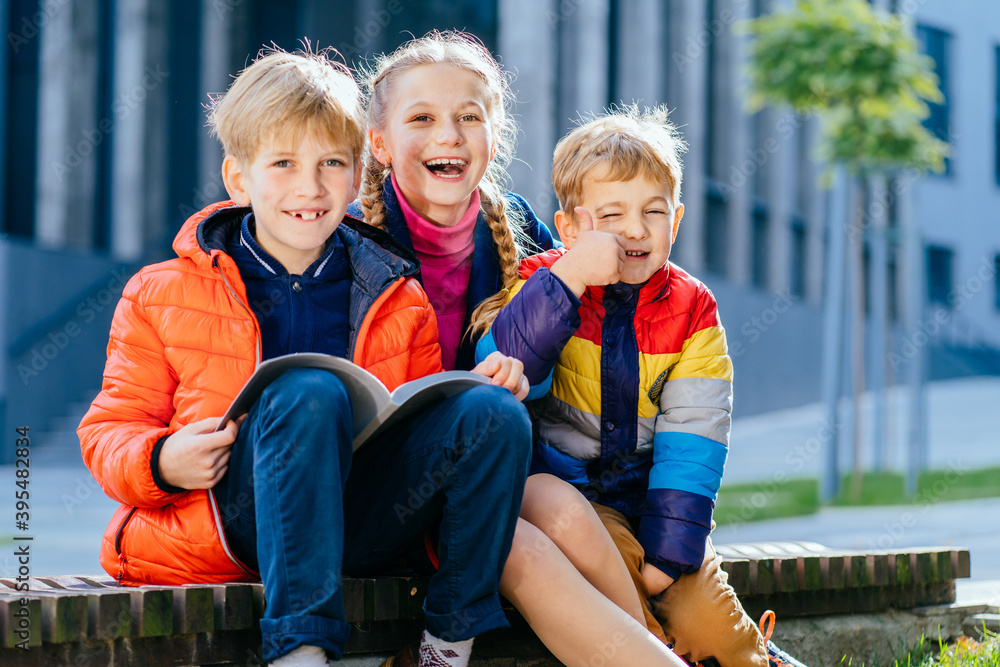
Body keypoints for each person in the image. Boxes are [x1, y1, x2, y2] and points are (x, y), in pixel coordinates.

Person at [77, 47, 538, 667]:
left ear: (355, 177)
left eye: (330, 164)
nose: (310, 186)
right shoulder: (163, 292)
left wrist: (473, 392)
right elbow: (108, 431)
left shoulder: (400, 296)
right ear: (239, 177)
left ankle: (446, 646)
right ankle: (301, 651)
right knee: (308, 391)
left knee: (494, 412)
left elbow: (421, 427)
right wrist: (164, 459)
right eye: (284, 163)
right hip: (233, 520)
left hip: (360, 519)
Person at [351, 31, 688, 667]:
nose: (449, 135)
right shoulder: (349, 244)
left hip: (499, 467)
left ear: (495, 137)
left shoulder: (524, 233)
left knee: (559, 506)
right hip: (391, 493)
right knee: (519, 548)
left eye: (469, 117)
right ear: (379, 143)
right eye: (421, 118)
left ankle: (659, 648)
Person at [475, 106, 808, 667]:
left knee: (713, 625)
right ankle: (661, 652)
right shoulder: (543, 284)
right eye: (612, 214)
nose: (635, 229)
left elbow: (695, 436)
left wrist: (672, 547)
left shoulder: (692, 308)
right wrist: (571, 280)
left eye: (653, 212)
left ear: (674, 222)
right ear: (570, 227)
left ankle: (756, 656)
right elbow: (507, 367)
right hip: (574, 500)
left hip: (657, 501)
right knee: (627, 606)